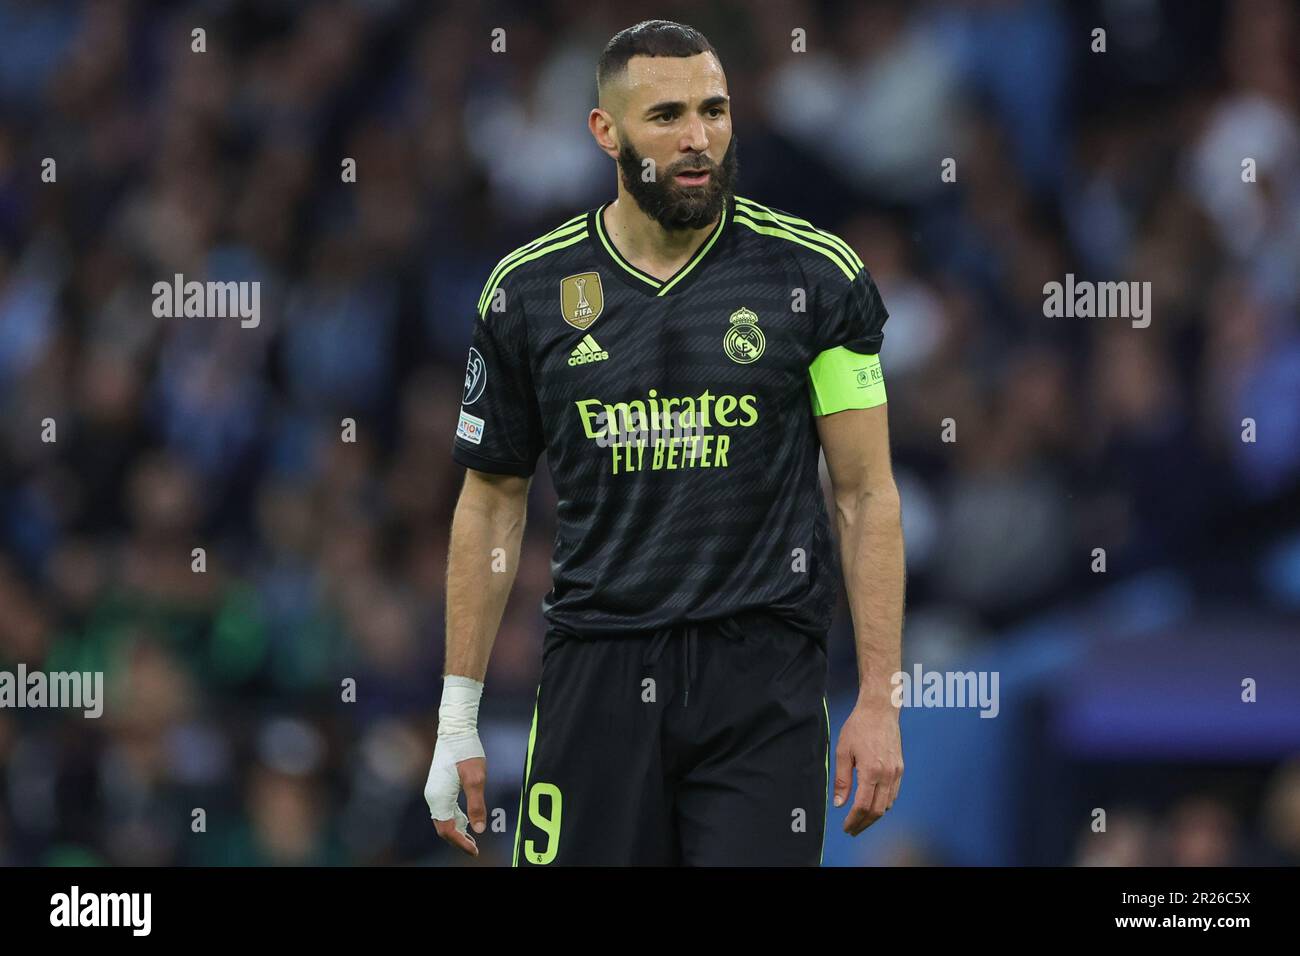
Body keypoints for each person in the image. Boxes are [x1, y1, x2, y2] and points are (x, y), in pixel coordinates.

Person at [425, 19, 904, 866]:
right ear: (605, 132)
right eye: (667, 116)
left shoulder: (814, 276)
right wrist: (457, 716)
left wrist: (879, 698)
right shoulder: (527, 292)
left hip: (761, 683)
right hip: (596, 675)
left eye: (714, 111)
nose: (698, 138)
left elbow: (865, 493)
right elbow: (491, 502)